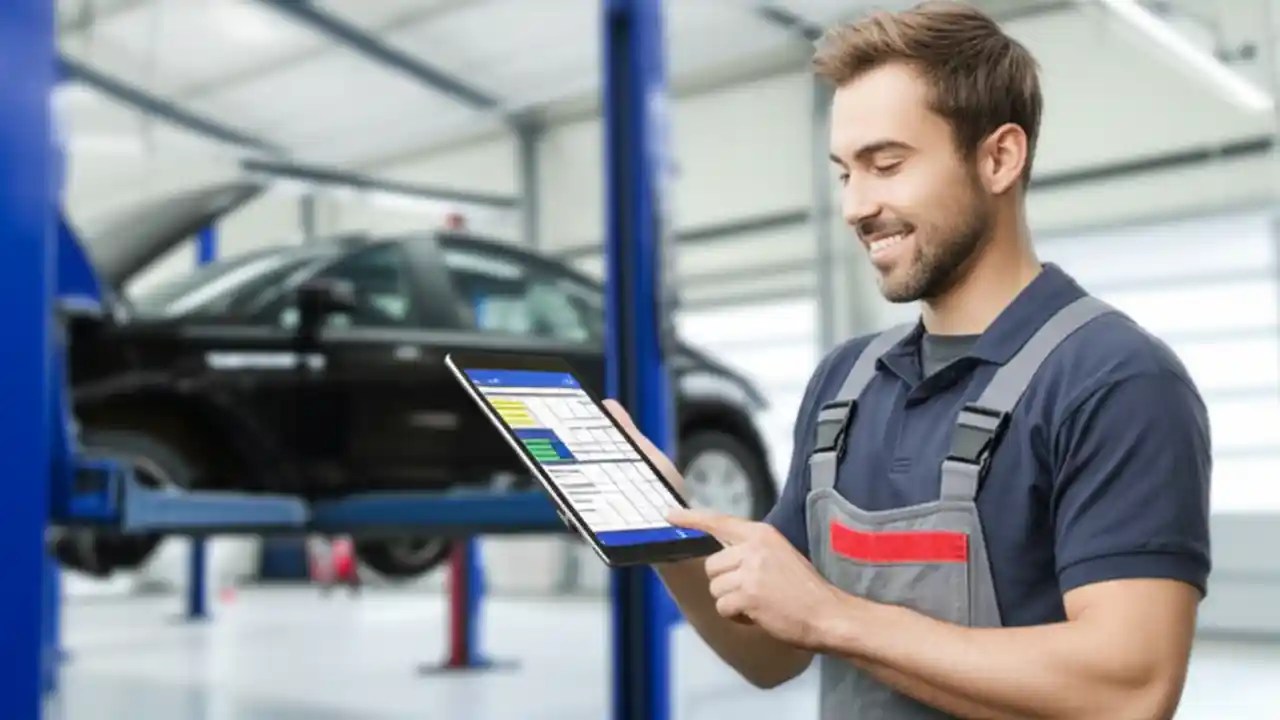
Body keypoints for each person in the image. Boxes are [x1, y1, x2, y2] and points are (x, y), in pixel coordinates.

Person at [604, 2, 1212, 718]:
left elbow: (1128, 690)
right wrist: (669, 536)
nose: (857, 207)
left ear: (999, 157)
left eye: (885, 165)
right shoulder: (845, 385)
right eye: (843, 174)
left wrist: (834, 615)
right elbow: (772, 653)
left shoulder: (1115, 380)